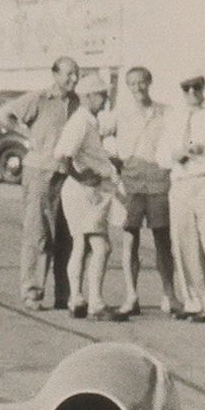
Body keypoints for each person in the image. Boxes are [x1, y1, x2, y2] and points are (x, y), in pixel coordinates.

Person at [0, 56, 78, 310]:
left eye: (76, 74)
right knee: (39, 234)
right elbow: (2, 114)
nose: (74, 79)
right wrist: (27, 134)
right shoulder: (40, 98)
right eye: (69, 74)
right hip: (40, 173)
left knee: (67, 236)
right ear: (55, 74)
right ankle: (32, 291)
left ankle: (64, 294)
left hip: (67, 174)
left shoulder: (77, 102)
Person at [159, 74, 205, 323]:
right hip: (182, 181)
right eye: (186, 88)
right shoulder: (173, 117)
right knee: (184, 243)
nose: (192, 92)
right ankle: (193, 301)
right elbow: (160, 154)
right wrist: (174, 154)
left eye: (197, 87)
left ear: (204, 87)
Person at [106, 66, 179, 316]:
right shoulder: (120, 114)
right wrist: (113, 163)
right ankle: (131, 295)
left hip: (158, 181)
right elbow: (98, 136)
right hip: (131, 182)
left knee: (162, 240)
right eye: (133, 83)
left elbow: (184, 137)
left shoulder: (165, 112)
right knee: (130, 239)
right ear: (127, 86)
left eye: (142, 82)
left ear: (150, 81)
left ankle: (169, 294)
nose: (138, 87)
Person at [53, 72, 122, 320]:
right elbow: (63, 157)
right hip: (86, 191)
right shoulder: (81, 122)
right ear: (88, 96)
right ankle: (96, 303)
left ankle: (76, 299)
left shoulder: (87, 121)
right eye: (101, 95)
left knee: (81, 245)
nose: (105, 99)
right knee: (101, 246)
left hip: (81, 190)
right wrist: (82, 177)